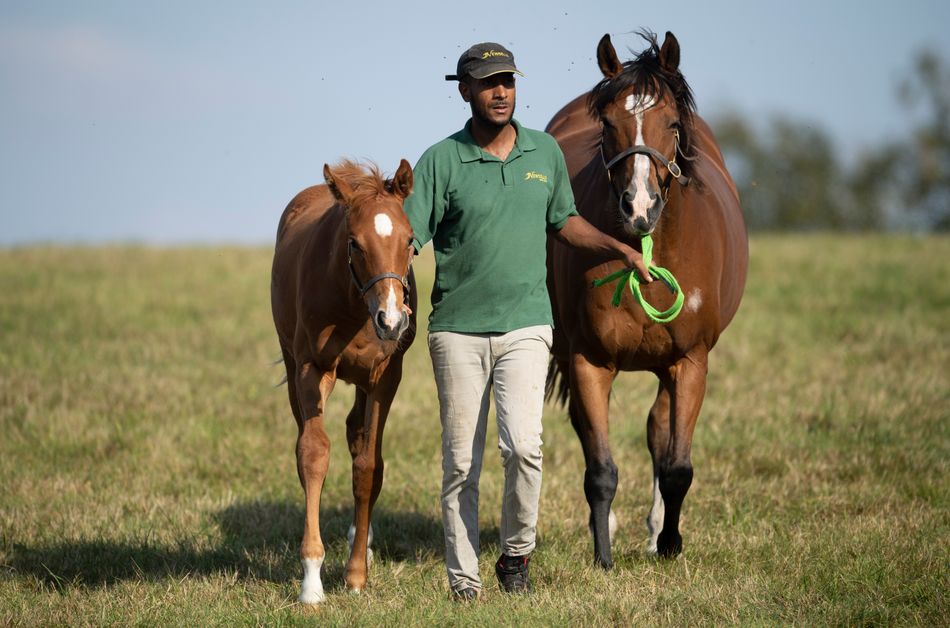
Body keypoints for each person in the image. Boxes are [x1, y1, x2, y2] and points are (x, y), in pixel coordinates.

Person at [403, 42, 651, 600]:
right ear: (464, 90)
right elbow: (406, 237)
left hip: (527, 326)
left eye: (508, 81)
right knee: (461, 462)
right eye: (488, 83)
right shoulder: (440, 160)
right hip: (457, 331)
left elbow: (565, 222)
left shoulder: (544, 153)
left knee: (524, 447)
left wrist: (621, 249)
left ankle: (516, 555)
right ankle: (464, 583)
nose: (501, 92)